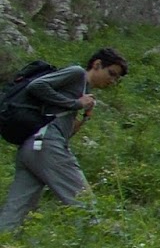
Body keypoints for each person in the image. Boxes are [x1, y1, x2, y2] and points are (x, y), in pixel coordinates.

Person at [0, 48, 128, 232]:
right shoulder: (77, 73)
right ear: (97, 64)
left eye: (116, 78)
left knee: (15, 210)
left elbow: (64, 129)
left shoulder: (83, 89)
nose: (112, 81)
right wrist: (76, 104)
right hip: (46, 144)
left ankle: (4, 242)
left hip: (31, 147)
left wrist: (83, 116)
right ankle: (105, 239)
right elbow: (36, 86)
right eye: (111, 74)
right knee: (83, 199)